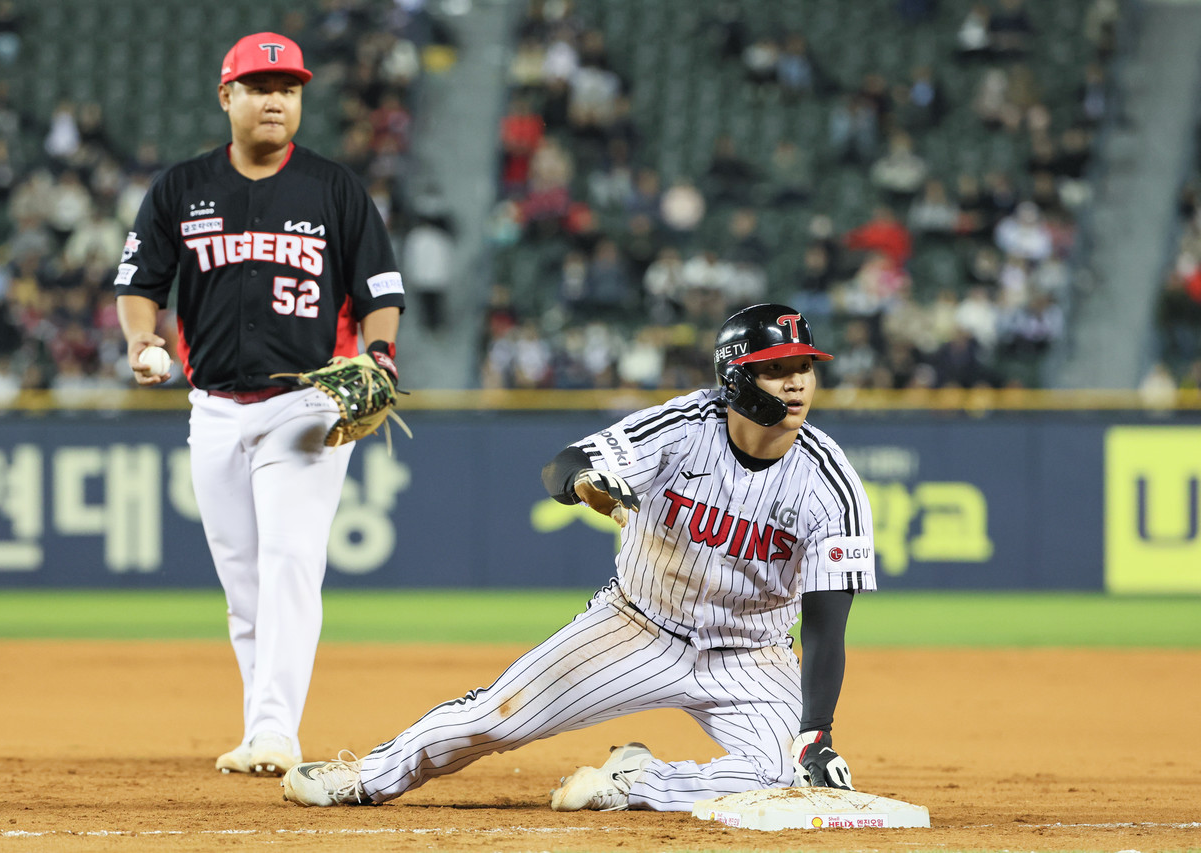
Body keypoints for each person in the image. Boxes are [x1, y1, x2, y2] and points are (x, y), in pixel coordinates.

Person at [281, 303, 876, 811]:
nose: (797, 383)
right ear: (737, 379)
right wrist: (586, 482)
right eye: (775, 370)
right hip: (636, 627)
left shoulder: (831, 485)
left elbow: (826, 626)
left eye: (803, 368)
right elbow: (563, 465)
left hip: (752, 657)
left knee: (785, 776)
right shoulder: (683, 427)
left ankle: (638, 782)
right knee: (497, 716)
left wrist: (815, 733)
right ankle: (365, 777)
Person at [114, 32, 405, 777]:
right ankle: (263, 726)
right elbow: (141, 284)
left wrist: (379, 356)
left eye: (289, 87)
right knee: (243, 579)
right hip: (210, 407)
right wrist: (142, 341)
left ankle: (277, 729)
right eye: (260, 86)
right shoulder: (181, 188)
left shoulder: (335, 188)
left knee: (287, 563)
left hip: (306, 404)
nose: (276, 99)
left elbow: (380, 292)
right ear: (227, 97)